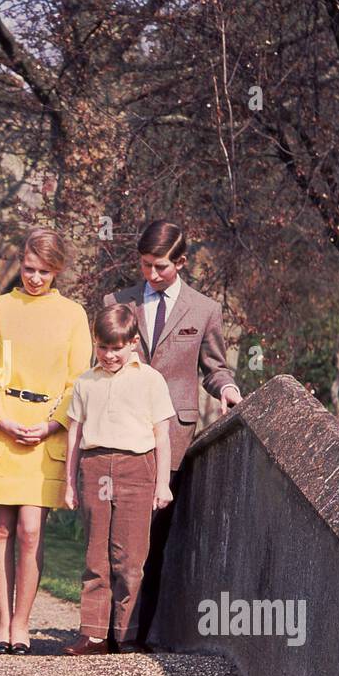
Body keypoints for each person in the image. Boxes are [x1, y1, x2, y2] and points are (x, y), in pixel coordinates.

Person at [104, 220, 241, 648]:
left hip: (173, 438)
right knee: (114, 536)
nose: (151, 274)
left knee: (154, 538)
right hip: (119, 429)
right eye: (145, 265)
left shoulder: (204, 310)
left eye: (160, 266)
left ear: (180, 263)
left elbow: (214, 367)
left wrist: (229, 389)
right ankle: (105, 631)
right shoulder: (117, 302)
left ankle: (139, 634)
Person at [0, 228, 92, 653]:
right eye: (29, 268)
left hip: (45, 434)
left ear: (58, 271)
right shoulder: (0, 307)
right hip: (4, 427)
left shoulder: (73, 315)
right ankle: (2, 624)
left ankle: (23, 624)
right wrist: (1, 419)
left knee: (31, 531)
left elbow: (79, 380)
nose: (35, 278)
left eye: (44, 271)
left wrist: (54, 423)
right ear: (21, 263)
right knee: (1, 529)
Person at [63, 305, 175, 656]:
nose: (109, 355)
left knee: (129, 557)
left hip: (136, 468)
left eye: (116, 348)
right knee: (96, 555)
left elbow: (162, 435)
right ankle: (94, 635)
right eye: (102, 347)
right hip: (96, 466)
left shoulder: (150, 379)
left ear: (133, 343)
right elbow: (74, 433)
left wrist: (162, 484)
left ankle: (127, 636)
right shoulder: (85, 381)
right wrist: (69, 481)